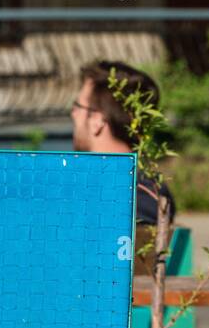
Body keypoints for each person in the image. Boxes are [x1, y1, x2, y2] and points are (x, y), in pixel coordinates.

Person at [70, 61, 176, 226]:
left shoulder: (136, 196)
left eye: (77, 106)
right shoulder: (147, 190)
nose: (72, 114)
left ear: (97, 120)